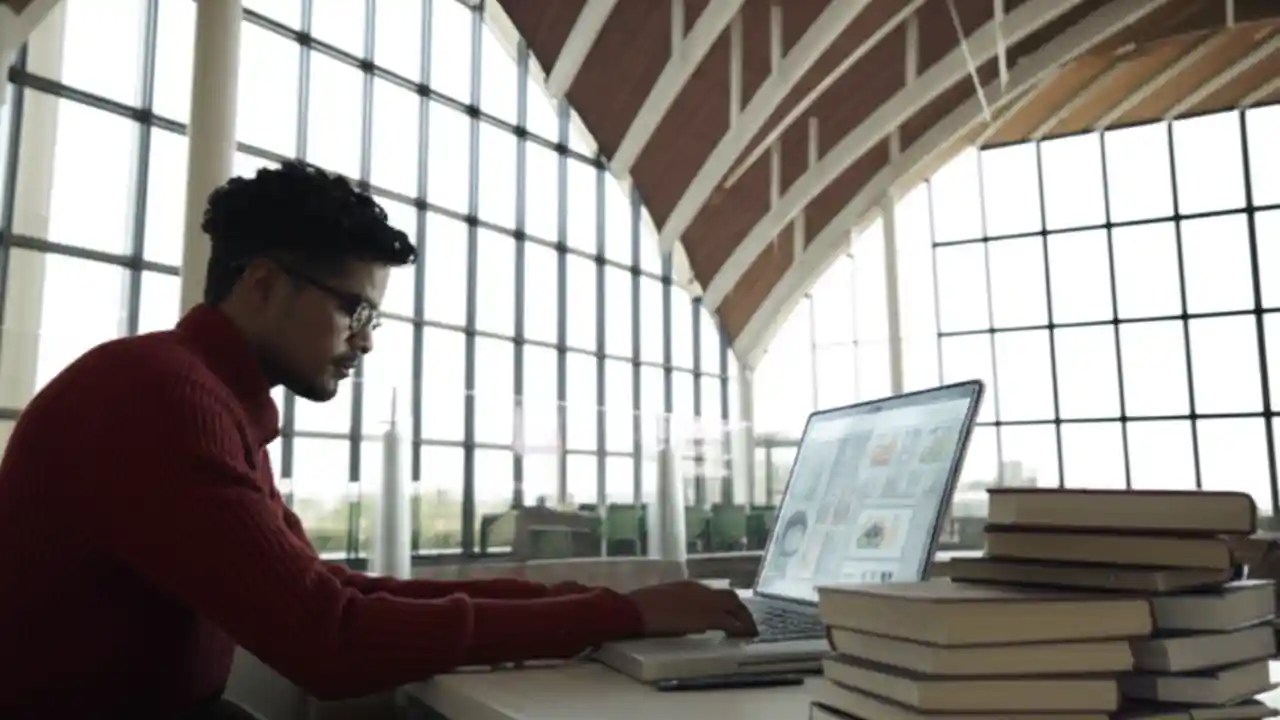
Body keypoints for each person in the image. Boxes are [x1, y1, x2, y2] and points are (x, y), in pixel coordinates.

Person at [0, 161, 756, 718]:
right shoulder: (162, 400)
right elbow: (331, 641)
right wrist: (617, 617)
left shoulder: (201, 397)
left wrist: (598, 601)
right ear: (263, 284)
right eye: (352, 312)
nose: (364, 343)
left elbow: (334, 593)